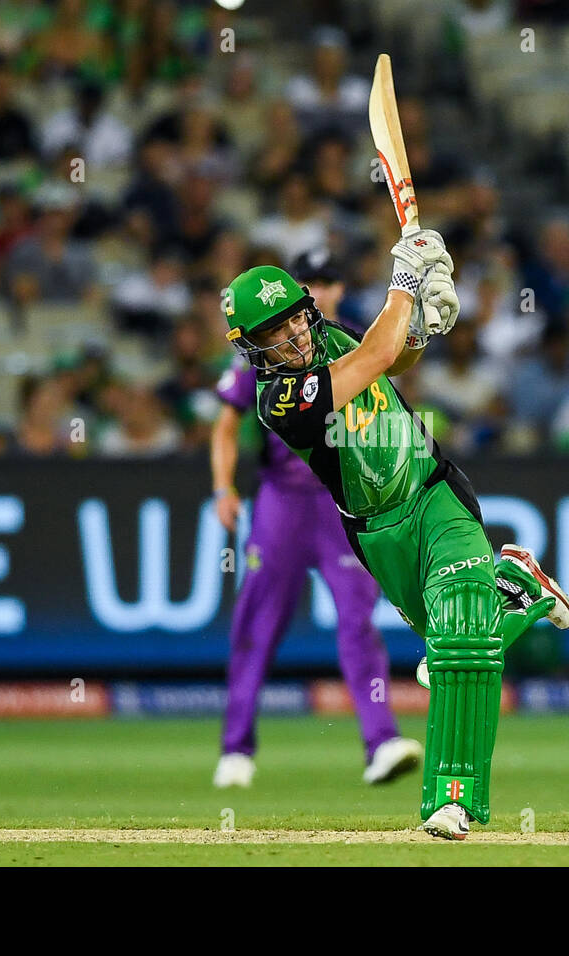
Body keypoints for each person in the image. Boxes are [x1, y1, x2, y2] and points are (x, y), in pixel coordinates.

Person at [221, 230, 569, 840]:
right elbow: (371, 362)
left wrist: (420, 329)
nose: (293, 336)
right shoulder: (278, 402)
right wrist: (405, 286)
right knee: (453, 653)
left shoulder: (332, 336)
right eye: (272, 333)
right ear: (252, 348)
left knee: (460, 637)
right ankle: (519, 584)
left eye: (293, 320)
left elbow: (392, 359)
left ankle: (452, 799)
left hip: (433, 491)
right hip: (376, 533)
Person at [210, 251, 420, 789]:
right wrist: (223, 485)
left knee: (357, 623)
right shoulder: (259, 366)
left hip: (337, 499)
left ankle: (381, 742)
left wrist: (417, 322)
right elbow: (225, 428)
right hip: (282, 503)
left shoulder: (345, 338)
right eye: (311, 281)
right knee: (257, 624)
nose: (320, 292)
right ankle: (236, 749)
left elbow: (388, 363)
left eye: (328, 282)